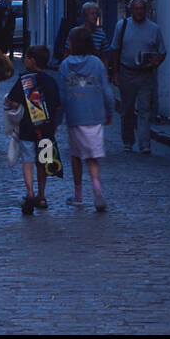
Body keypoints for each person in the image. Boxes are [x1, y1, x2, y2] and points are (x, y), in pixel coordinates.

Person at [58, 26, 116, 210]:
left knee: (76, 156)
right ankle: (97, 191)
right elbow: (107, 91)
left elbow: (62, 95)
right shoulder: (97, 63)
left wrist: (58, 118)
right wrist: (109, 111)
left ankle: (78, 194)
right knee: (92, 157)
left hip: (76, 116)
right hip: (95, 115)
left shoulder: (65, 65)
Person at [3, 45, 61, 215]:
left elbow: (13, 102)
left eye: (26, 58)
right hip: (47, 129)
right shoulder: (51, 81)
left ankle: (30, 193)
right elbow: (57, 106)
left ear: (32, 61)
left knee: (28, 161)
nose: (24, 60)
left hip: (27, 128)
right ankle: (42, 196)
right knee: (43, 162)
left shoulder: (24, 81)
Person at [107, 0, 167, 154]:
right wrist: (115, 73)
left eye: (141, 8)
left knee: (144, 109)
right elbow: (115, 49)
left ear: (145, 10)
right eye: (136, 8)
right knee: (127, 109)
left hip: (146, 74)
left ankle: (144, 143)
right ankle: (128, 141)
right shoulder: (123, 25)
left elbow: (162, 52)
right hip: (127, 72)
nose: (139, 11)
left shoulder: (154, 28)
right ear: (131, 10)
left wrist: (155, 63)